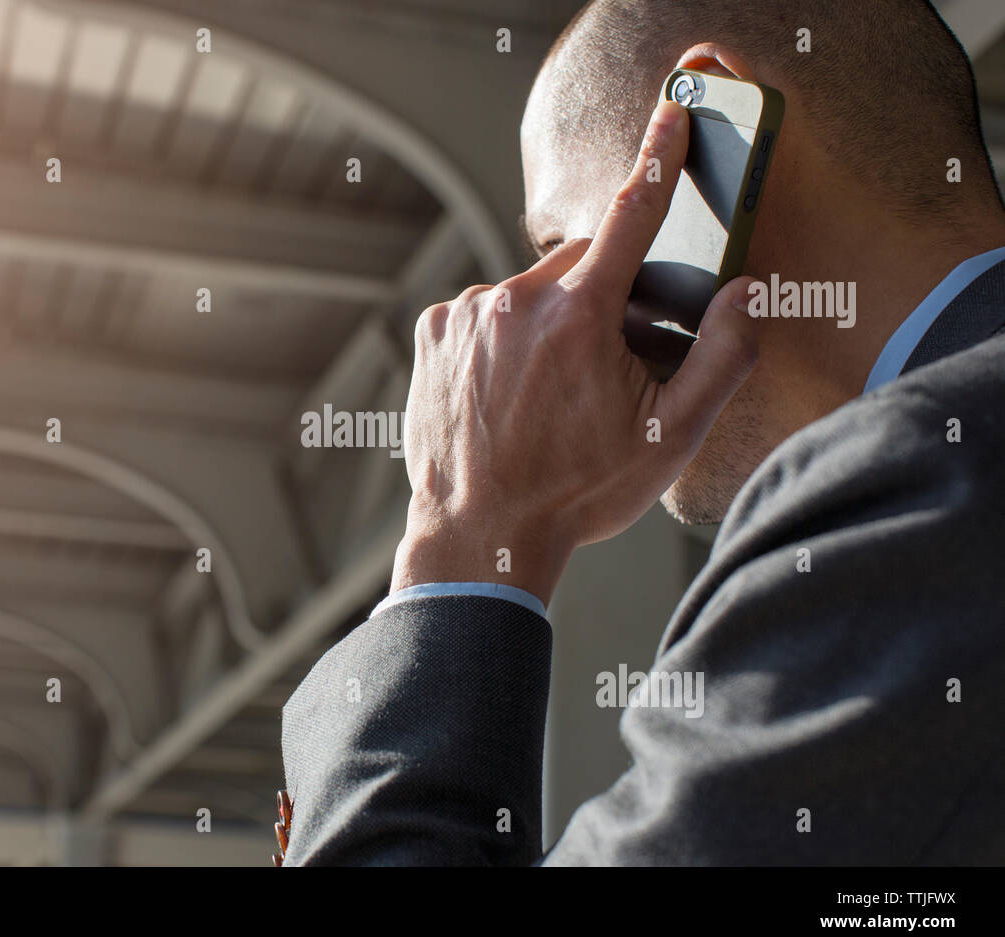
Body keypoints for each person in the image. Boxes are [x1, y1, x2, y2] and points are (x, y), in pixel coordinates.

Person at [277, 0, 1005, 865]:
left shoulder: (913, 483)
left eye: (555, 242)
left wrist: (463, 535)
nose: (534, 305)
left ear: (707, 143)